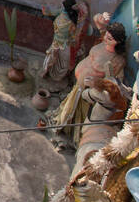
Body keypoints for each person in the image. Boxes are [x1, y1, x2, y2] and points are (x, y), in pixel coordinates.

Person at [51, 18, 127, 151]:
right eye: (107, 35)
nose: (107, 38)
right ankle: (64, 127)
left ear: (118, 42)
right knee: (69, 110)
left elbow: (113, 82)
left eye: (111, 38)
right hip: (78, 86)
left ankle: (73, 136)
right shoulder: (100, 44)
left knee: (78, 114)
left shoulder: (117, 60)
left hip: (88, 93)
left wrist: (95, 83)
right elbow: (97, 20)